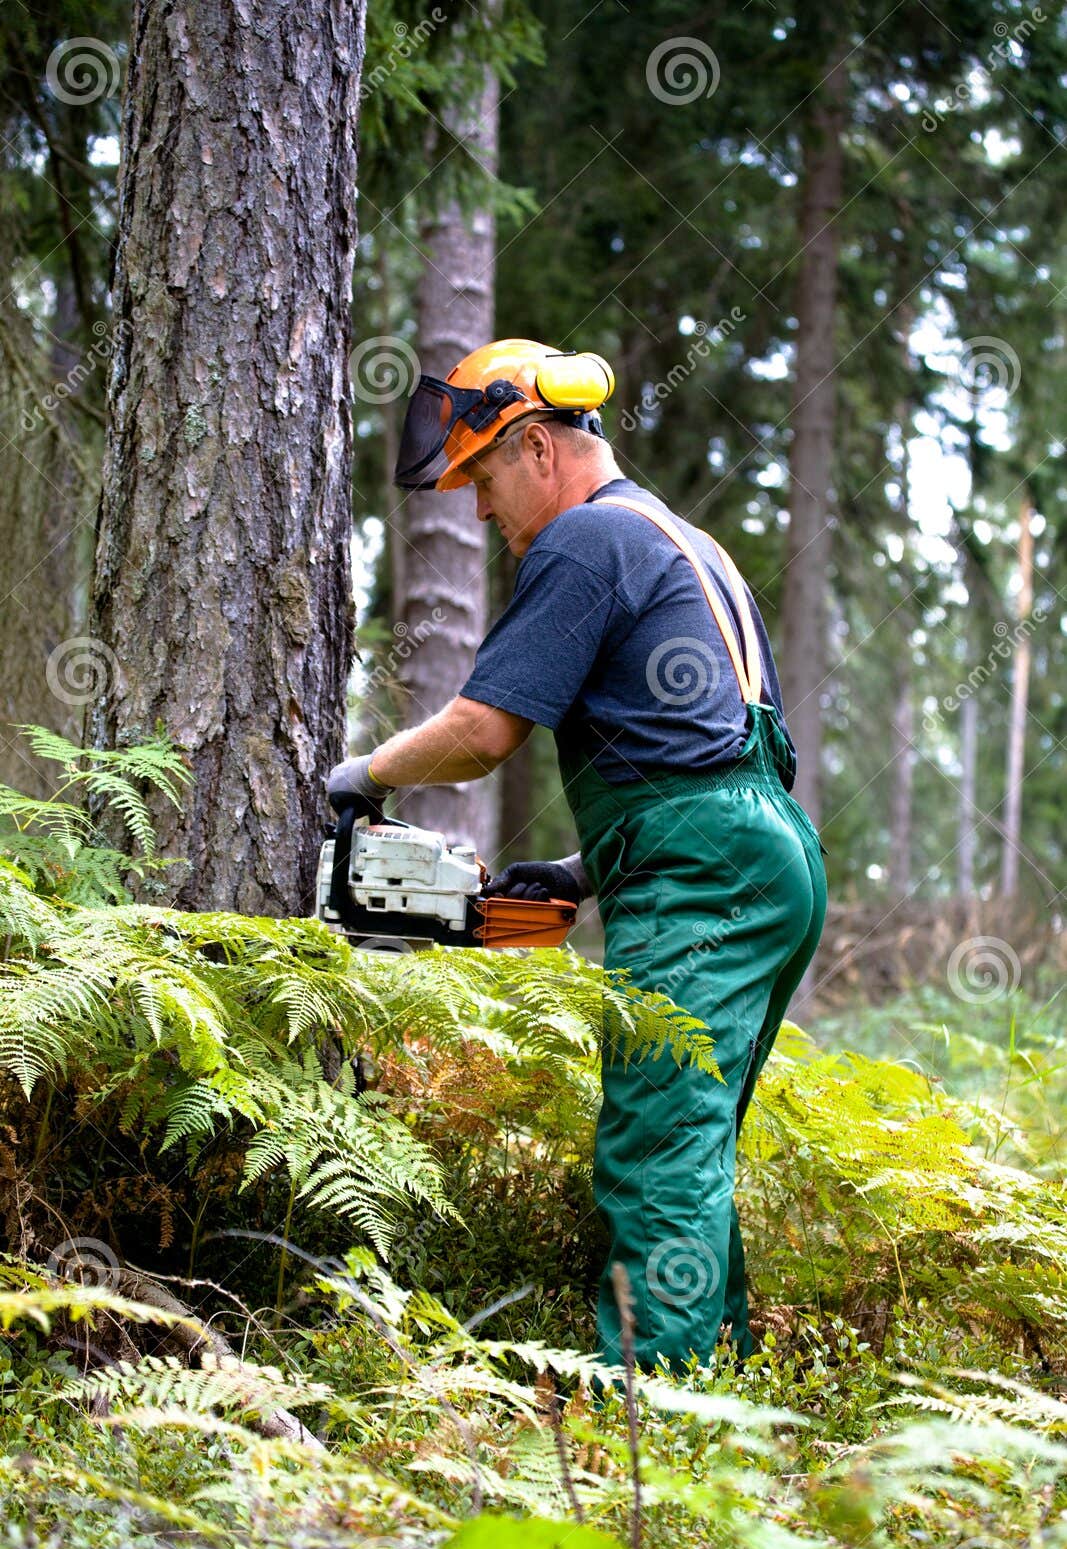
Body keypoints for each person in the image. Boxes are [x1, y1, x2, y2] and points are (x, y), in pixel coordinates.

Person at [327, 337, 827, 1373]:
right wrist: (581, 870)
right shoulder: (678, 538)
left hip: (702, 876)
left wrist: (364, 773)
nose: (477, 510)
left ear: (540, 447)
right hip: (762, 853)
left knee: (656, 1142)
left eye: (484, 478)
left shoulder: (583, 543)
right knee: (689, 1135)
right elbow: (706, 748)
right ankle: (715, 1382)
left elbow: (483, 729)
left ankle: (655, 1411)